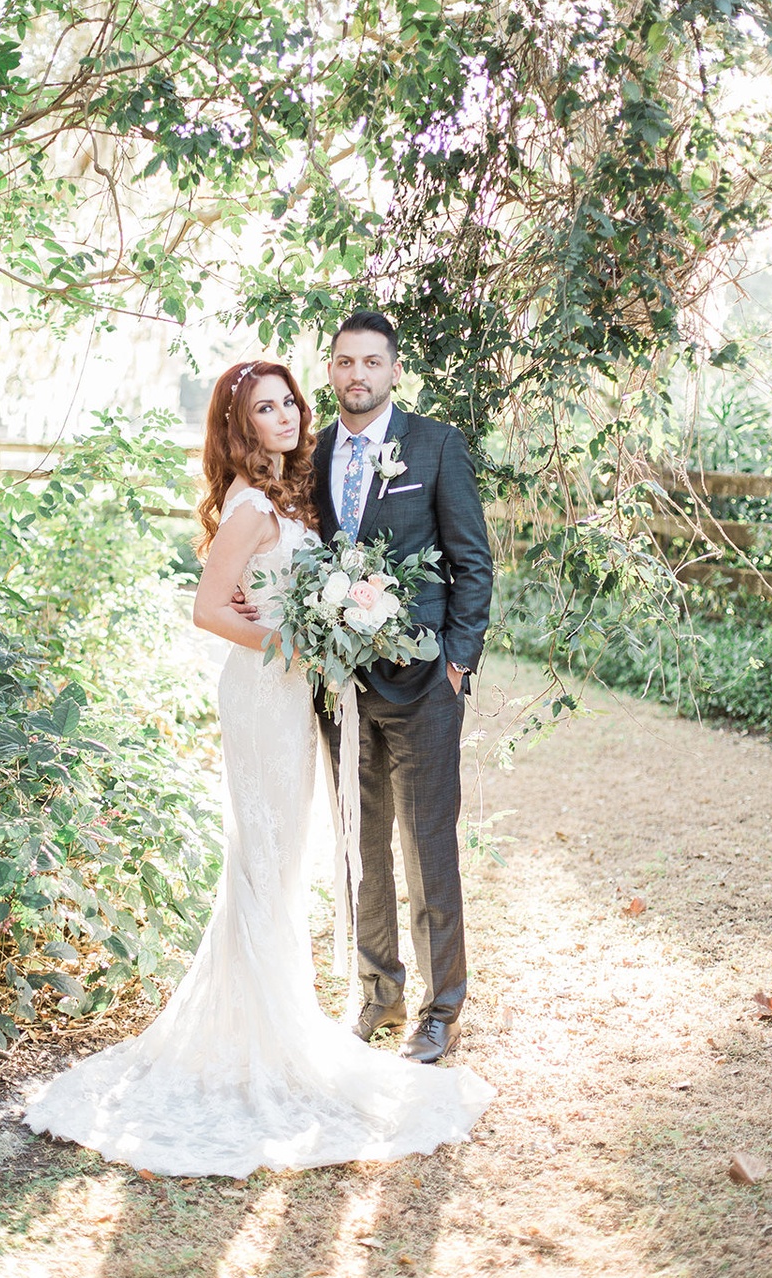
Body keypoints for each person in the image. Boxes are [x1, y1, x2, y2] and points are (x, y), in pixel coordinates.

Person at [24, 359, 493, 1177]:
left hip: (291, 699)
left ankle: (268, 1023)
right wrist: (295, 640)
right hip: (261, 696)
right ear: (239, 426)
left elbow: (286, 585)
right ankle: (267, 1038)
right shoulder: (247, 506)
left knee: (277, 864)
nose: (283, 415)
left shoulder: (289, 493)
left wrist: (316, 623)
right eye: (264, 408)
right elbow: (208, 608)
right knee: (265, 857)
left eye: (287, 402)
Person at [316, 312, 493, 1064]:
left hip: (424, 685)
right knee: (361, 849)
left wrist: (457, 661)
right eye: (345, 362)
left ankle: (441, 1009)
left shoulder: (434, 445)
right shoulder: (314, 452)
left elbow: (471, 561)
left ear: (393, 371)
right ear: (331, 370)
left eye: (371, 363)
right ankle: (379, 993)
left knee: (426, 848)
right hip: (339, 691)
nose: (357, 375)